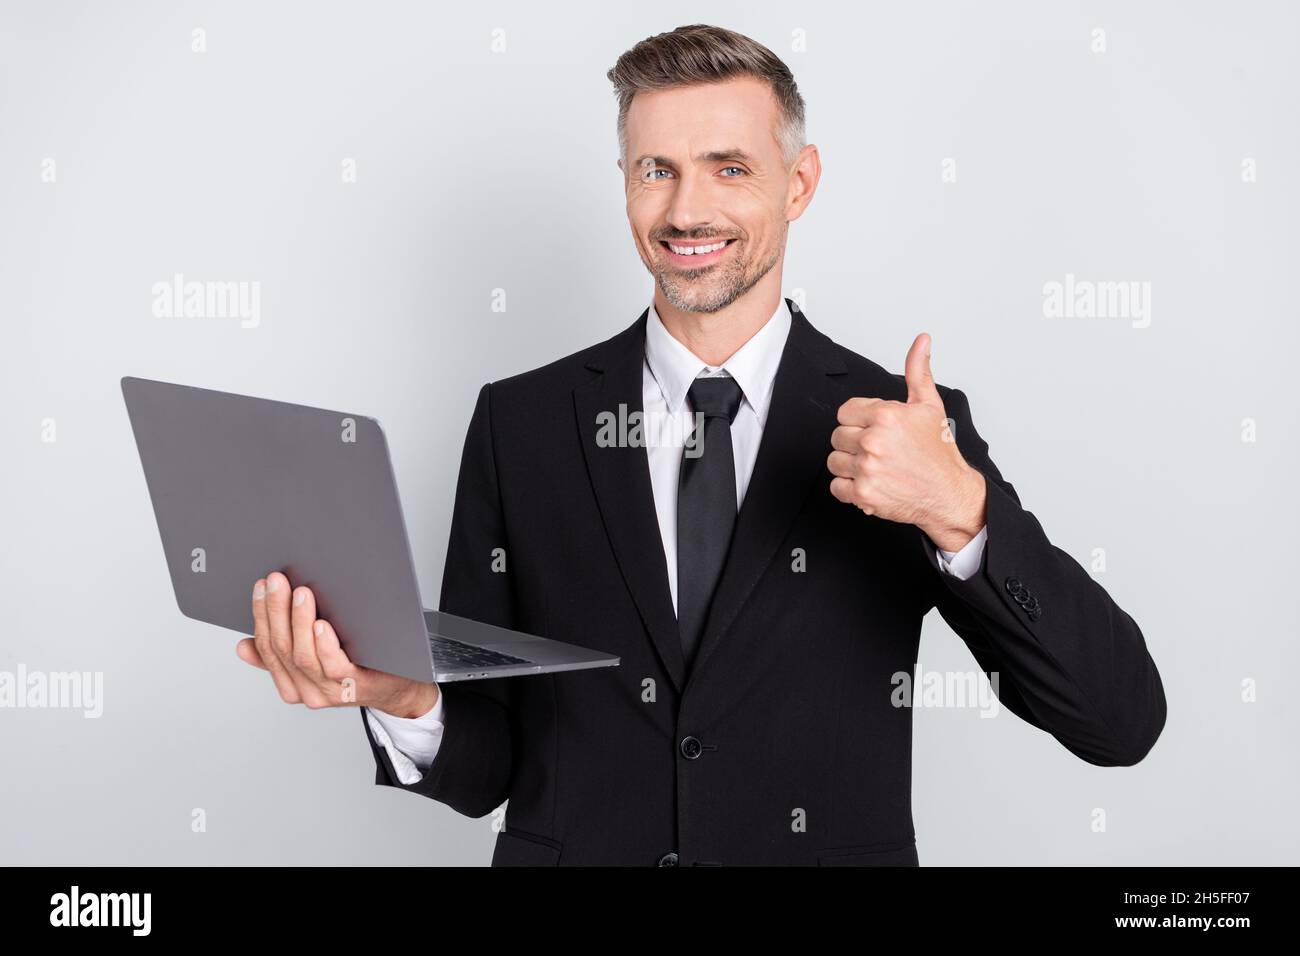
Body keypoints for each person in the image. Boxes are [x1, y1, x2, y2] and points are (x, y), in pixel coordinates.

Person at [236, 24, 1166, 866]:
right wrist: (400, 697)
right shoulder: (521, 424)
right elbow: (489, 769)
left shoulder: (909, 425)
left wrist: (961, 511)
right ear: (625, 181)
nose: (686, 213)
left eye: (729, 168)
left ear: (797, 184)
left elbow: (1118, 720)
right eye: (656, 170)